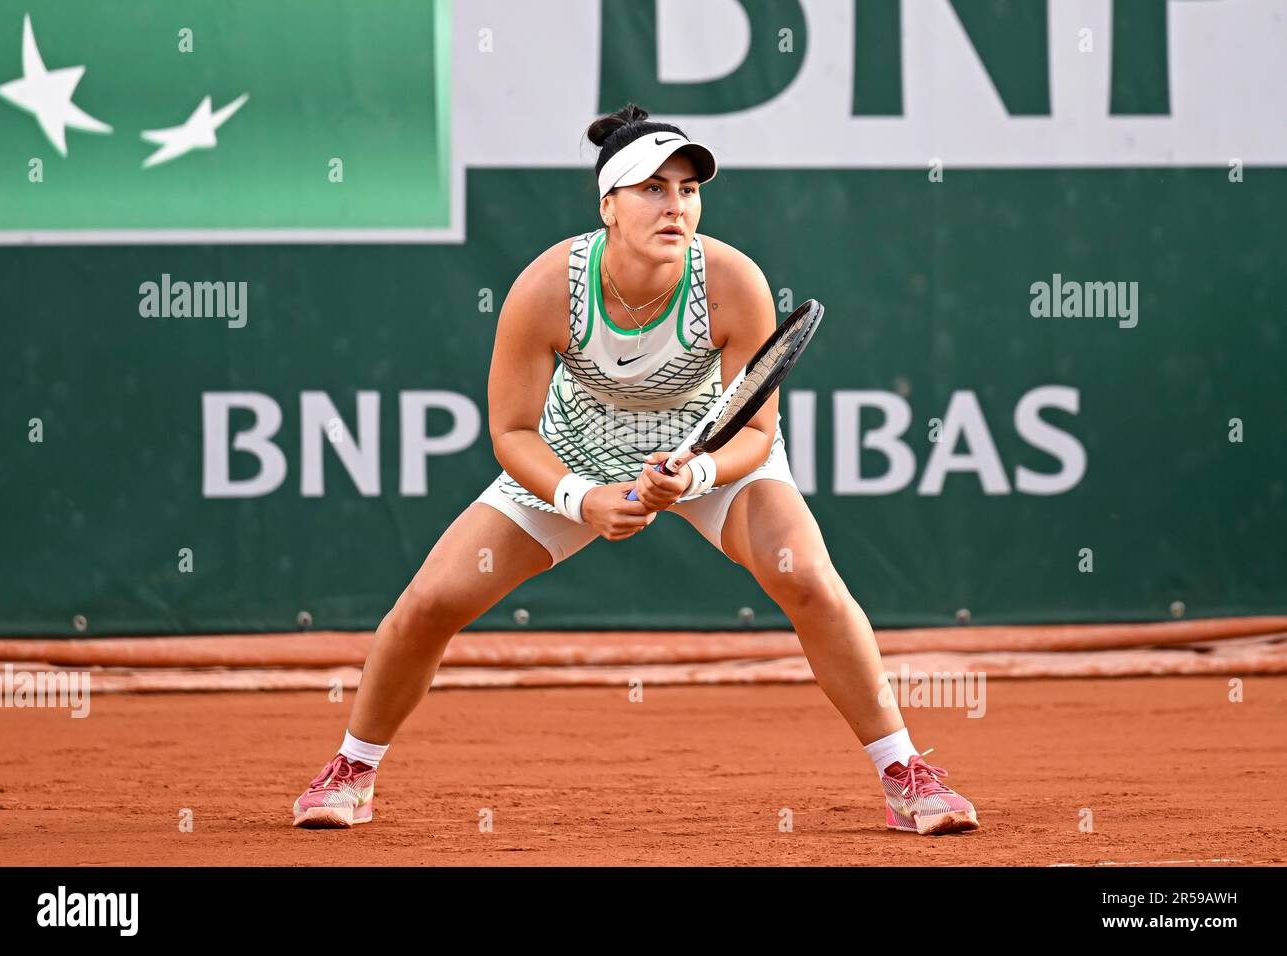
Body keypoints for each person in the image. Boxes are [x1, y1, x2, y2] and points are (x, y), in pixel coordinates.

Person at [292, 103, 979, 837]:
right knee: (431, 602)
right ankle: (352, 770)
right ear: (609, 206)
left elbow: (755, 431)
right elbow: (512, 430)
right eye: (652, 189)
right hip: (575, 455)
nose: (674, 205)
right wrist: (579, 497)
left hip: (706, 457)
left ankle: (905, 773)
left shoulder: (733, 282)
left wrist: (695, 477)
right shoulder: (548, 286)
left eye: (687, 190)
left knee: (807, 577)